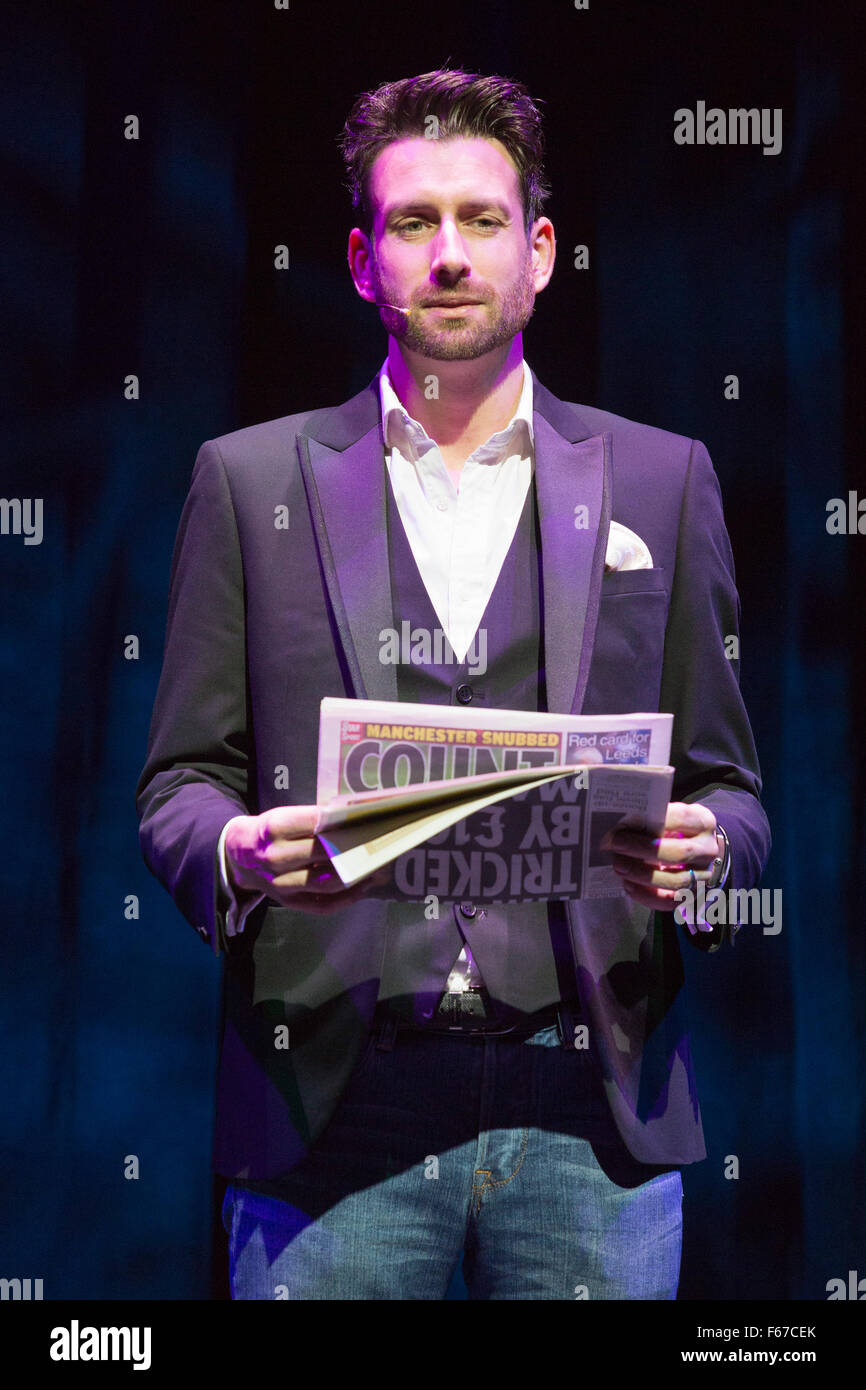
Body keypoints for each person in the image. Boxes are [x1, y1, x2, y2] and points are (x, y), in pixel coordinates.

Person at [136, 68, 771, 1300]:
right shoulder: (245, 479)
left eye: (480, 220)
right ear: (363, 259)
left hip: (586, 1109)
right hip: (334, 1108)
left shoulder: (659, 482)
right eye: (412, 223)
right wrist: (234, 852)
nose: (448, 254)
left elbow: (730, 788)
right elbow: (178, 784)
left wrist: (705, 855)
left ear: (537, 252)